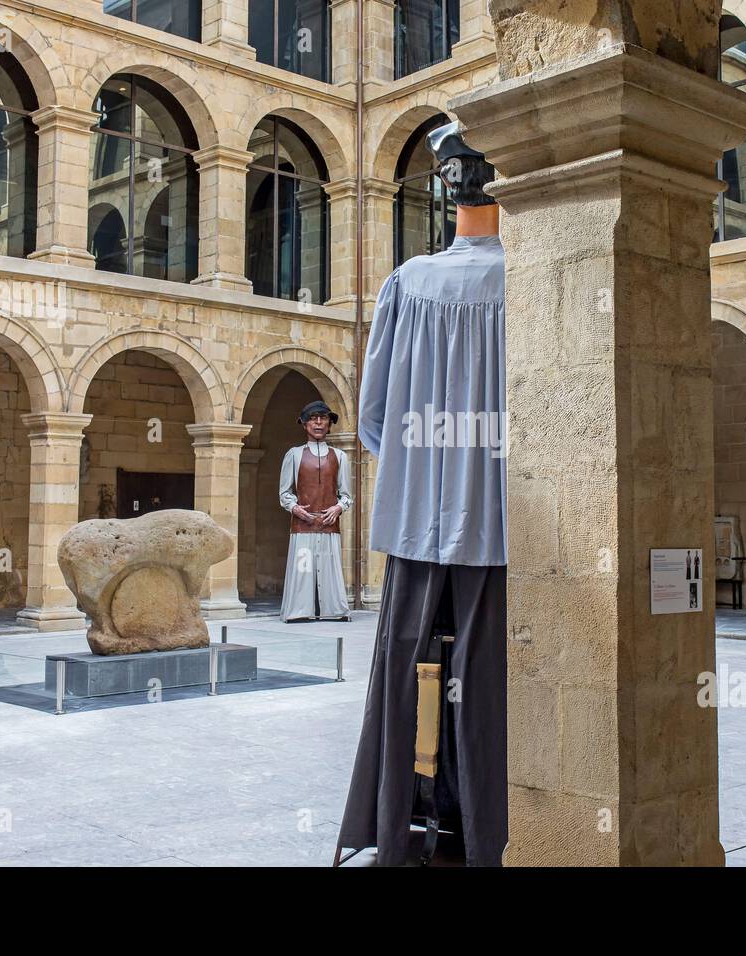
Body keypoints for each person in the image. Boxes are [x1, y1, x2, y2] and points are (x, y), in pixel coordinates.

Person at [337, 120, 507, 866]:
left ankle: (398, 831)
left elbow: (372, 416)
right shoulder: (527, 280)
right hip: (504, 530)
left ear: (446, 185)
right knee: (493, 689)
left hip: (413, 527)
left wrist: (421, 472)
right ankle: (487, 833)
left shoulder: (407, 282)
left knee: (402, 679)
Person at [279, 400, 353, 622]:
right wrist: (295, 509)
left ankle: (334, 610)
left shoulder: (340, 456)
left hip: (330, 525)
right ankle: (298, 611)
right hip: (302, 526)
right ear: (304, 424)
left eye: (323, 418)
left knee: (331, 569)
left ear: (330, 424)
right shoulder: (294, 454)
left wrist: (338, 508)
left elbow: (347, 494)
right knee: (302, 569)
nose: (318, 422)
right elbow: (285, 492)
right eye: (313, 418)